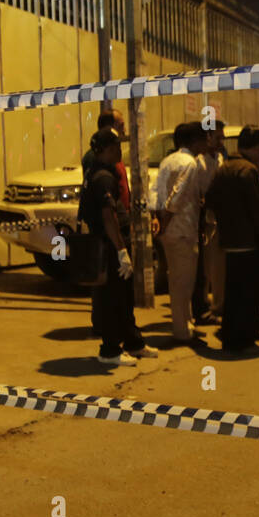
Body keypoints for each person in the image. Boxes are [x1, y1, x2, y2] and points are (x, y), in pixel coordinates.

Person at [79, 127, 158, 363]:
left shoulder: (100, 172)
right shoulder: (103, 177)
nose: (120, 151)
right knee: (113, 297)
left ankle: (133, 343)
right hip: (110, 245)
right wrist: (121, 250)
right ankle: (110, 351)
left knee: (123, 296)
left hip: (111, 243)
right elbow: (108, 217)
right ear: (106, 149)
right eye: (116, 147)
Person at [206, 127, 259, 350]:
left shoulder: (223, 168)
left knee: (233, 291)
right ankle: (243, 338)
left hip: (229, 239)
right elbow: (257, 210)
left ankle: (230, 335)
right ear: (256, 147)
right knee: (248, 292)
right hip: (248, 240)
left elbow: (210, 200)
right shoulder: (248, 170)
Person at [154, 121, 203, 342]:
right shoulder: (190, 163)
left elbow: (156, 192)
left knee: (177, 280)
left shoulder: (167, 161)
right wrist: (166, 219)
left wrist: (159, 221)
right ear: (194, 141)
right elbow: (177, 195)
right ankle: (182, 330)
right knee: (183, 283)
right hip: (182, 228)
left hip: (169, 232)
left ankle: (186, 323)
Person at [192, 122, 226, 325]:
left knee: (218, 266)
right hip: (205, 218)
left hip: (219, 216)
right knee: (206, 266)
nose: (220, 142)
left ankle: (218, 304)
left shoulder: (220, 158)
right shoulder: (198, 162)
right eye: (217, 138)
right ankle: (204, 305)